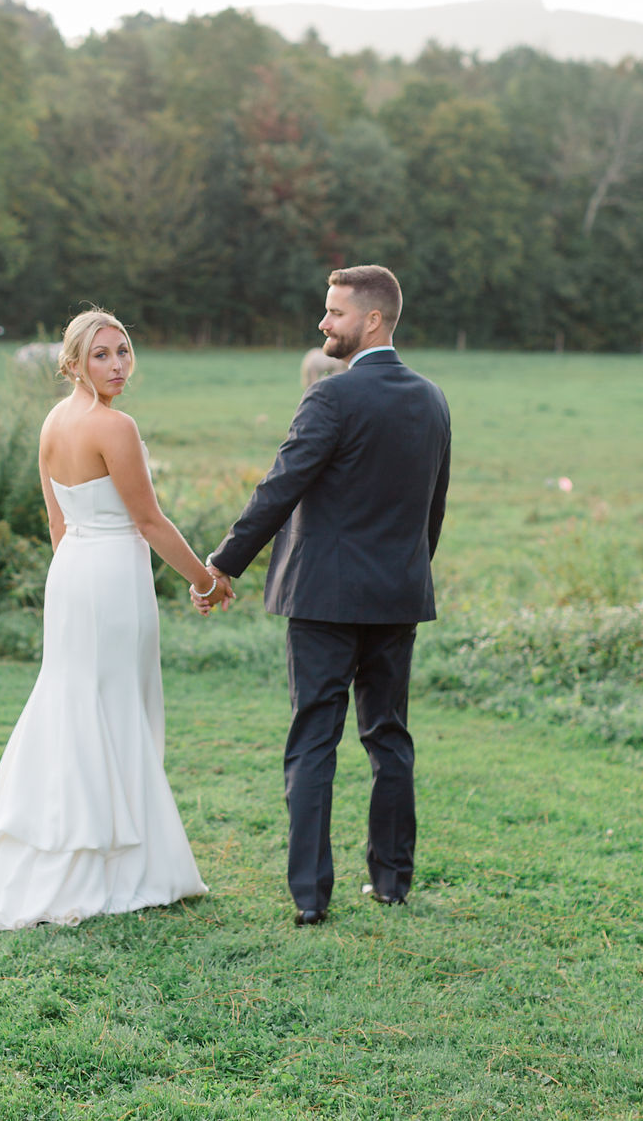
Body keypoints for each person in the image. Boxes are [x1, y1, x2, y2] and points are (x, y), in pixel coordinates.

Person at [0, 308, 229, 930]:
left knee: (73, 701)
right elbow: (150, 522)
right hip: (113, 575)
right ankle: (109, 862)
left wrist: (79, 578)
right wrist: (205, 579)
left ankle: (80, 839)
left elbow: (58, 525)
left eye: (122, 352)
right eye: (101, 355)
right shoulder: (113, 426)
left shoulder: (52, 422)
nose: (117, 365)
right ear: (72, 363)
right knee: (110, 704)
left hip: (72, 576)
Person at [202, 266, 450, 926]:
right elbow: (434, 513)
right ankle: (392, 883)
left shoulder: (331, 399)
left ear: (373, 320)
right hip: (398, 595)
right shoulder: (433, 399)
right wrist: (406, 572)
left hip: (322, 599)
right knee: (389, 735)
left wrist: (223, 564)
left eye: (335, 312)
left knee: (314, 738)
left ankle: (312, 899)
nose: (324, 323)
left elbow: (278, 489)